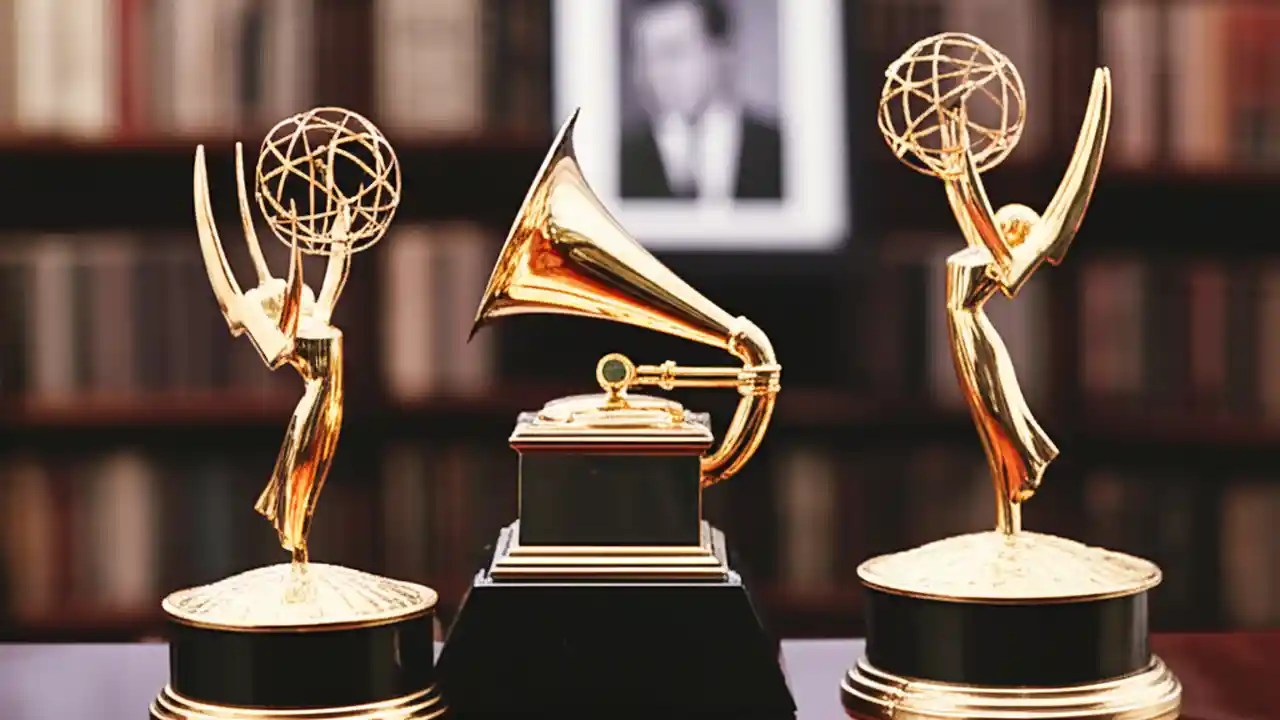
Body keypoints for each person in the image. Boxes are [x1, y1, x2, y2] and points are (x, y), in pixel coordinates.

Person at [622, 0, 783, 200]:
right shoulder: (622, 158)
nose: (656, 74)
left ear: (722, 53)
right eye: (646, 58)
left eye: (673, 52)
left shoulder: (780, 151)